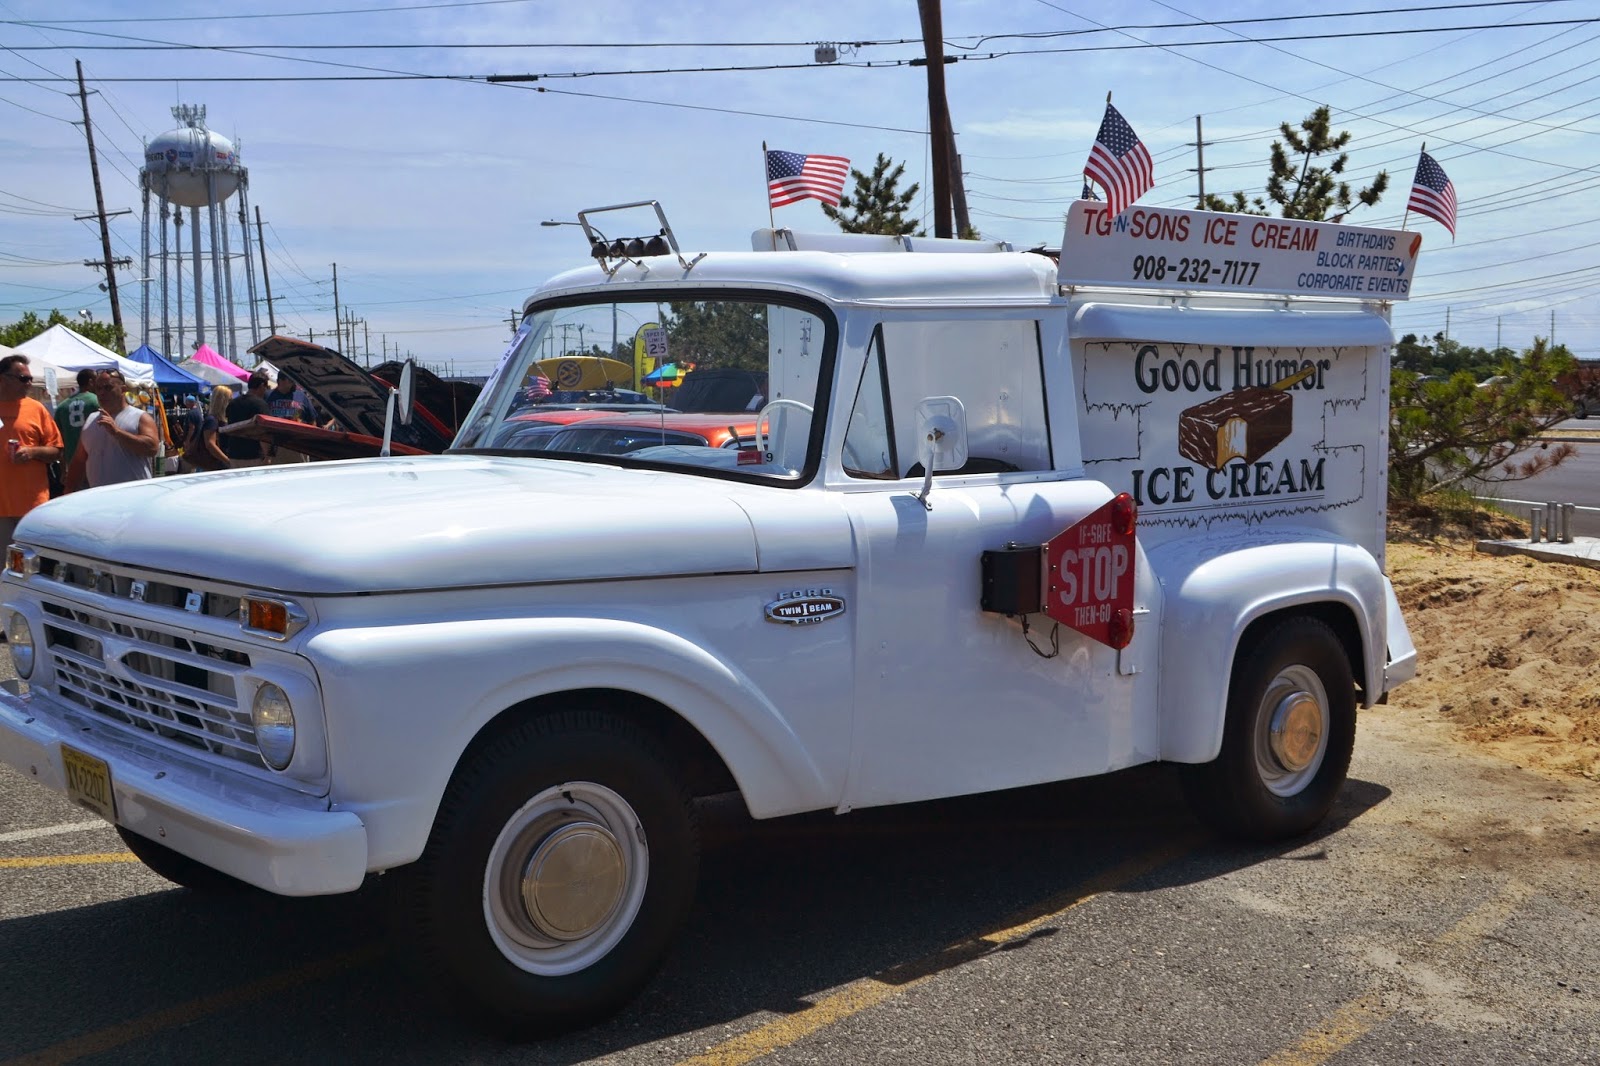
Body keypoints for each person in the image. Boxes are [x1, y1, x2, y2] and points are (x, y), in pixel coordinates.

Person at [0, 354, 65, 545]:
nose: (29, 383)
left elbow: (57, 450)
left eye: (30, 379)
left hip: (31, 506)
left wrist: (32, 452)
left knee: (32, 568)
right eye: (23, 379)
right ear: (3, 379)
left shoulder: (37, 409)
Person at [65, 369, 160, 491]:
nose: (102, 393)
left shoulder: (139, 417)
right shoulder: (91, 420)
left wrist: (117, 432)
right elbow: (79, 461)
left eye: (108, 388)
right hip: (100, 500)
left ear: (123, 389)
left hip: (135, 498)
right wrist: (68, 491)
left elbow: (152, 448)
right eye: (98, 389)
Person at [222, 371, 271, 467]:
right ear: (261, 385)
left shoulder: (233, 404)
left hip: (234, 454)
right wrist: (268, 456)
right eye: (266, 387)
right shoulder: (260, 405)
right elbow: (263, 432)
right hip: (254, 455)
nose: (266, 390)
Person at [53, 368, 100, 469]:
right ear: (91, 382)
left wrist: (62, 469)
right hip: (97, 461)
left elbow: (58, 442)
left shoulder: (61, 407)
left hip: (72, 463)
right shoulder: (97, 401)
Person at [179, 387, 233, 473]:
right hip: (215, 465)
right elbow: (210, 444)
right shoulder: (212, 420)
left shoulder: (219, 419)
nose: (231, 403)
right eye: (229, 400)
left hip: (218, 464)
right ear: (223, 401)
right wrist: (227, 461)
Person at [265, 371, 315, 464]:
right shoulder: (267, 396)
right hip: (276, 445)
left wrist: (308, 440)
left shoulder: (301, 396)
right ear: (281, 381)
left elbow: (312, 419)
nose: (294, 383)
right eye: (291, 380)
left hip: (298, 445)